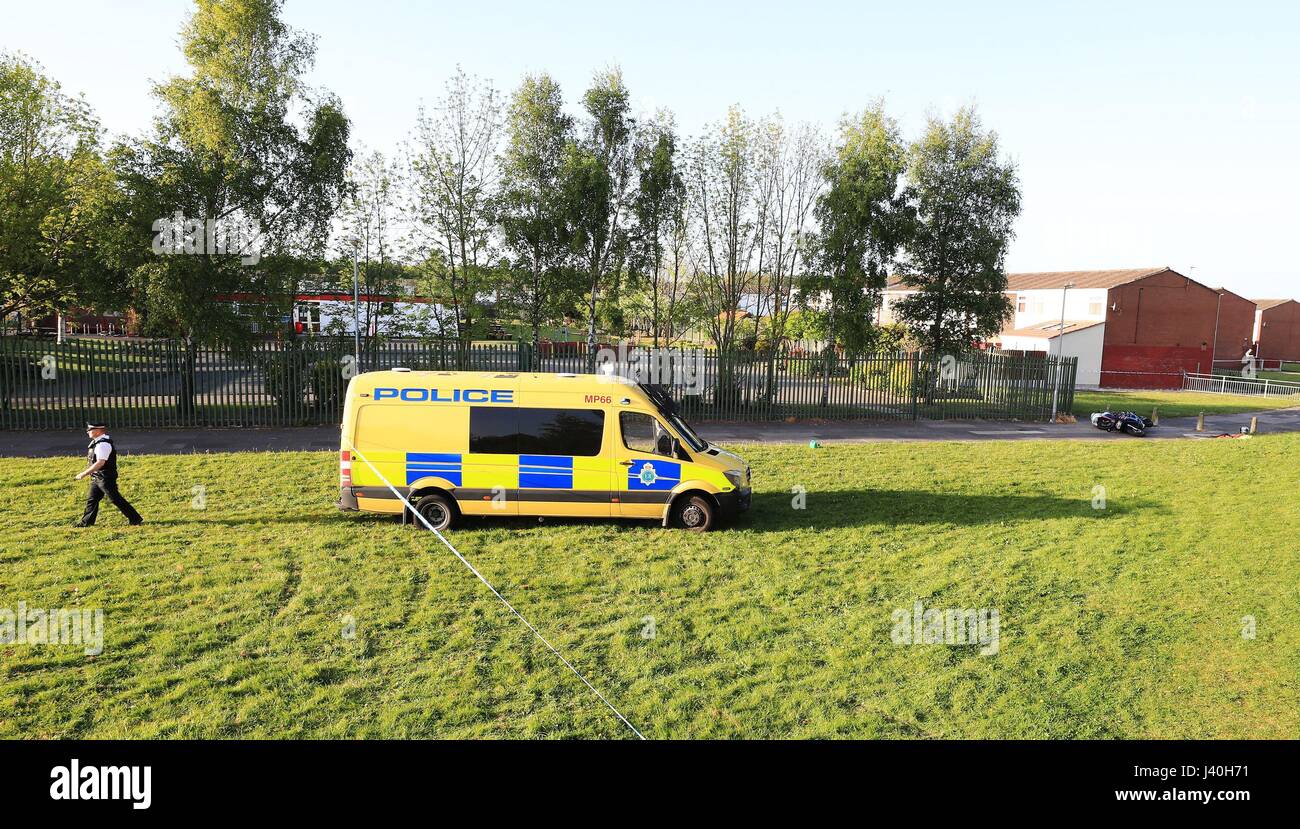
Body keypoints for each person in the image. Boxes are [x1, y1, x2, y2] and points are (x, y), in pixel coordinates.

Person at [74, 422, 143, 527]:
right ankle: (86, 522)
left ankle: (135, 518)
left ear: (98, 431)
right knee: (92, 499)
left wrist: (84, 473)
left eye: (90, 430)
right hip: (97, 476)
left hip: (105, 477)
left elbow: (100, 462)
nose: (87, 432)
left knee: (115, 498)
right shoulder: (97, 442)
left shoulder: (103, 444)